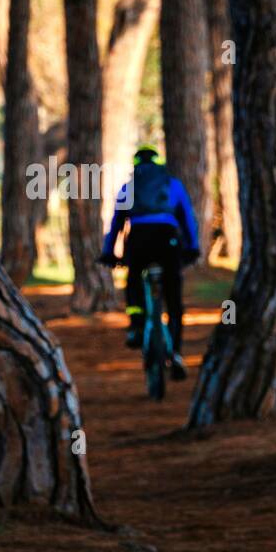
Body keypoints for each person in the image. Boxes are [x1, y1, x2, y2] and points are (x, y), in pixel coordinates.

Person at [99, 145, 200, 379]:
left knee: (134, 277)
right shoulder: (172, 184)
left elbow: (116, 223)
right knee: (174, 296)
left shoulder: (129, 187)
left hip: (139, 241)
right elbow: (187, 218)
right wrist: (192, 248)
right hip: (168, 240)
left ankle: (135, 325)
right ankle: (175, 351)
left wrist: (109, 253)